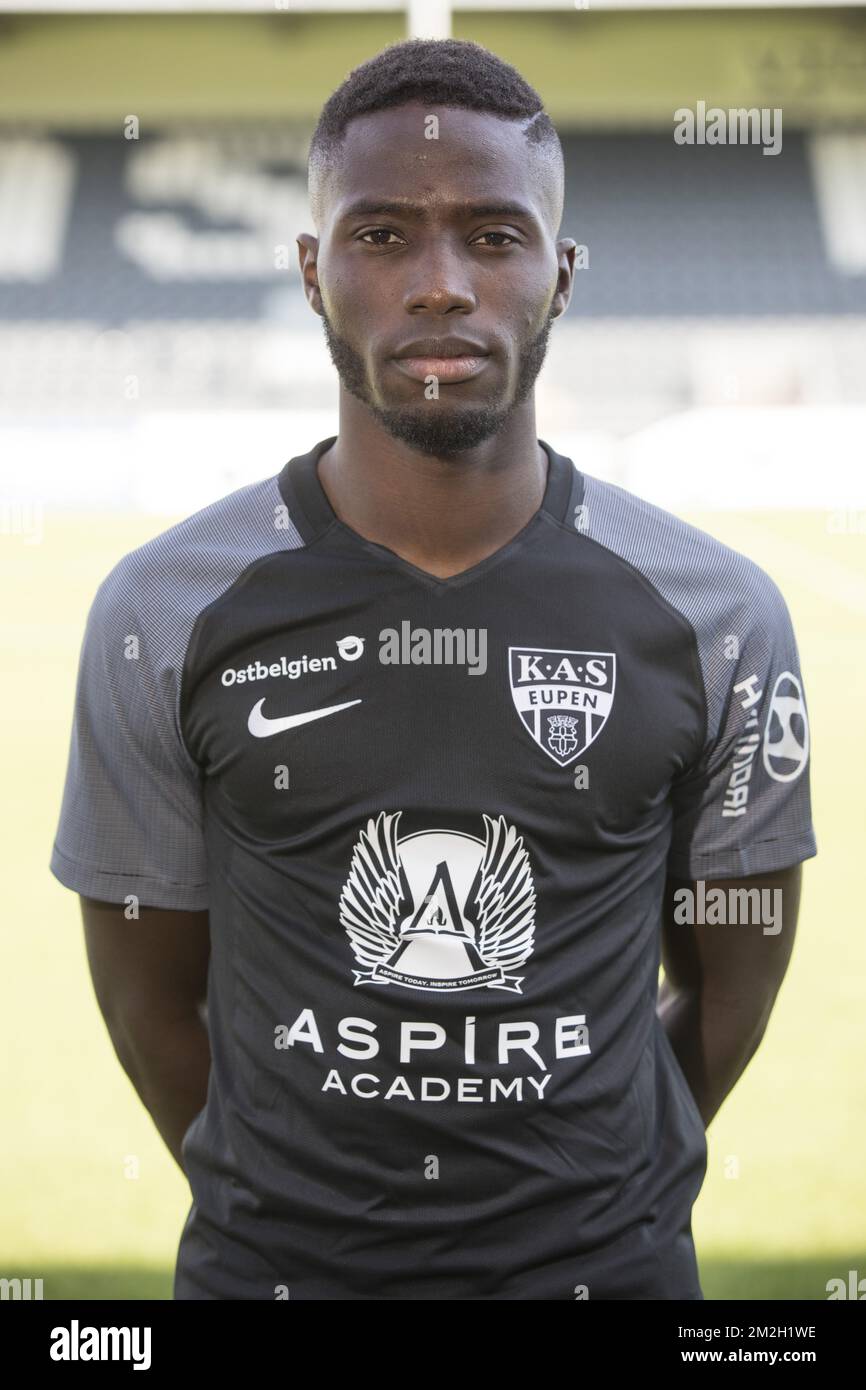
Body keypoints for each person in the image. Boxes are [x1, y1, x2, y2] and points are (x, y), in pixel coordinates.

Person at [49, 38, 817, 1301]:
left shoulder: (719, 614)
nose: (441, 286)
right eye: (384, 235)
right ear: (312, 270)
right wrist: (302, 1229)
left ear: (561, 276)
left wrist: (584, 1209)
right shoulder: (161, 610)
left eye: (496, 237)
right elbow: (150, 1011)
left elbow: (730, 985)